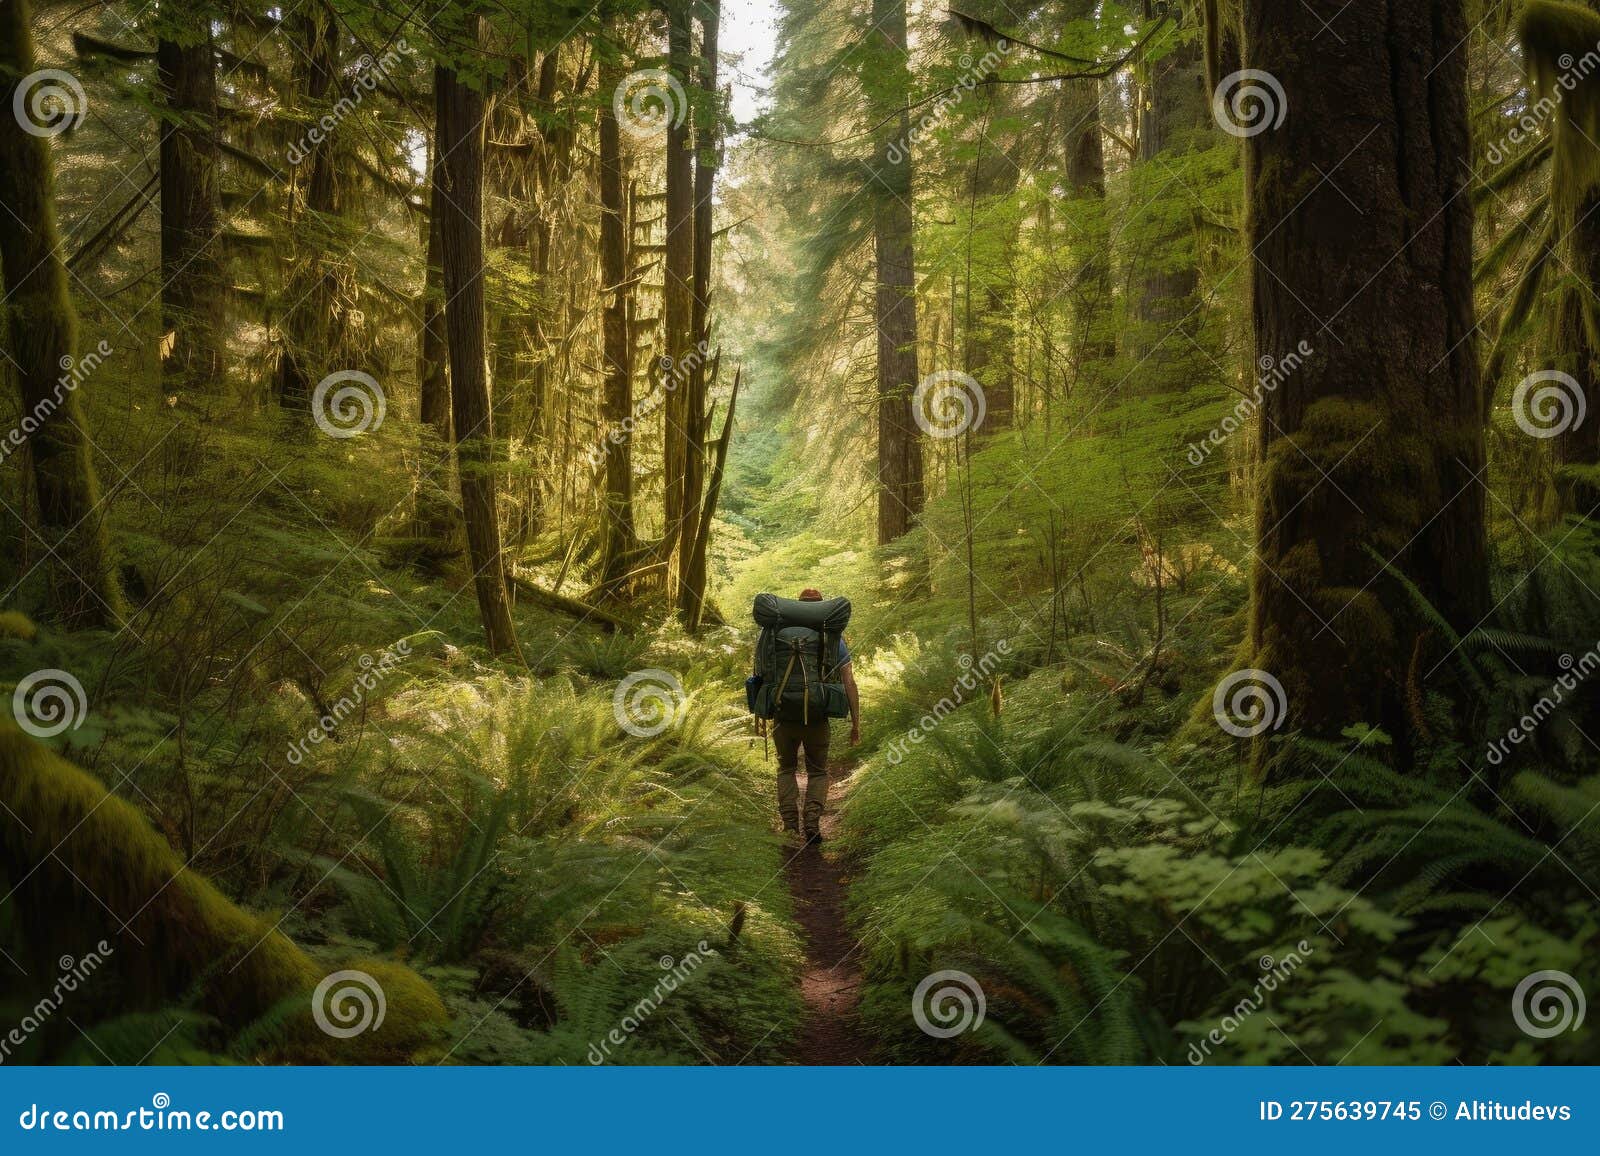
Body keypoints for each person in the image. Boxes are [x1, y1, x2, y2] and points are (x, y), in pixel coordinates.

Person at [772, 587, 859, 845]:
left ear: (798, 607)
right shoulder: (831, 638)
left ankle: (789, 826)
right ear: (821, 608)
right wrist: (856, 722)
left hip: (783, 714)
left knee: (786, 768)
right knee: (818, 771)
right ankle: (811, 824)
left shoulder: (777, 635)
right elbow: (849, 682)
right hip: (818, 716)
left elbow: (763, 674)